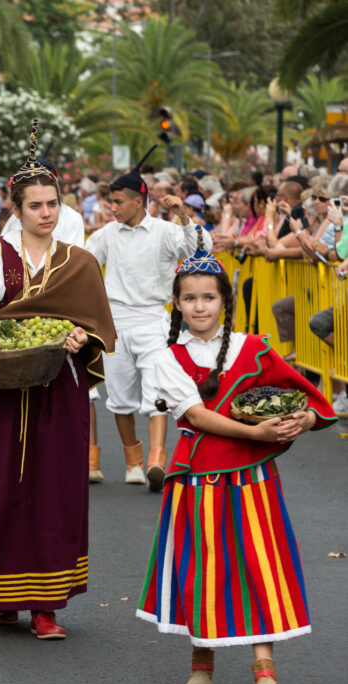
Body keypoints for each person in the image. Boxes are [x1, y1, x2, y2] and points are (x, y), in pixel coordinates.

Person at [0, 120, 115, 639]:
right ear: (16, 209)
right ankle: (0, 593)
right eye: (35, 206)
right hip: (2, 382)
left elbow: (92, 321)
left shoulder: (77, 259)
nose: (45, 213)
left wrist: (79, 336)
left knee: (52, 487)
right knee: (0, 482)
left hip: (58, 386)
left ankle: (45, 605)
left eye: (52, 204)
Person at [139, 238, 337, 684]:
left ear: (224, 301)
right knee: (201, 569)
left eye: (209, 297)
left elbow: (308, 397)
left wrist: (305, 419)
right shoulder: (165, 358)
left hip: (253, 480)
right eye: (190, 298)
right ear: (176, 303)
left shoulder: (253, 348)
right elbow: (198, 416)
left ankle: (265, 672)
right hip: (198, 479)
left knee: (257, 567)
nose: (199, 306)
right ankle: (201, 663)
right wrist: (258, 433)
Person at [84, 146, 211, 491]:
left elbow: (202, 248)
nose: (112, 208)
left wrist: (183, 216)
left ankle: (156, 459)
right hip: (115, 322)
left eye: (117, 202)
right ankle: (134, 463)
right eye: (111, 202)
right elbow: (83, 263)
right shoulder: (107, 233)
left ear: (138, 202)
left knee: (157, 391)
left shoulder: (165, 230)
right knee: (120, 397)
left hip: (154, 320)